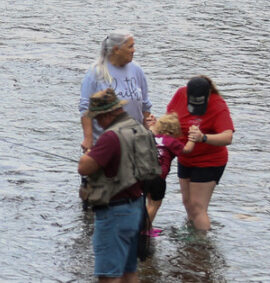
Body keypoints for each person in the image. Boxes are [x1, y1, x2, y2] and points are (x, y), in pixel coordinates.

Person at [77, 90, 145, 283]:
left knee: (109, 276)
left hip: (115, 212)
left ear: (107, 114)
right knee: (129, 272)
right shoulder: (136, 128)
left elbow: (84, 167)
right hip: (136, 208)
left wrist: (89, 153)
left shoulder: (111, 137)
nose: (97, 123)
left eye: (98, 118)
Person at [166, 75, 235, 231]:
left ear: (208, 95)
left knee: (198, 206)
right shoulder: (180, 94)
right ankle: (191, 242)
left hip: (209, 161)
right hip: (185, 157)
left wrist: (202, 137)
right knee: (188, 203)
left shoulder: (218, 105)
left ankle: (202, 246)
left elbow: (228, 137)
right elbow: (170, 119)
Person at [78, 31, 152, 154]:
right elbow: (85, 108)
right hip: (106, 141)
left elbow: (145, 105)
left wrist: (149, 133)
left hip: (135, 141)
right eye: (130, 46)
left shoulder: (136, 70)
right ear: (117, 49)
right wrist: (88, 138)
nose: (134, 50)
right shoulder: (96, 72)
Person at [144, 112, 192, 234]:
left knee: (148, 202)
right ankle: (144, 230)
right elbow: (186, 150)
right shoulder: (171, 141)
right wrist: (193, 139)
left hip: (143, 174)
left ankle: (146, 227)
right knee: (155, 204)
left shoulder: (152, 137)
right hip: (158, 177)